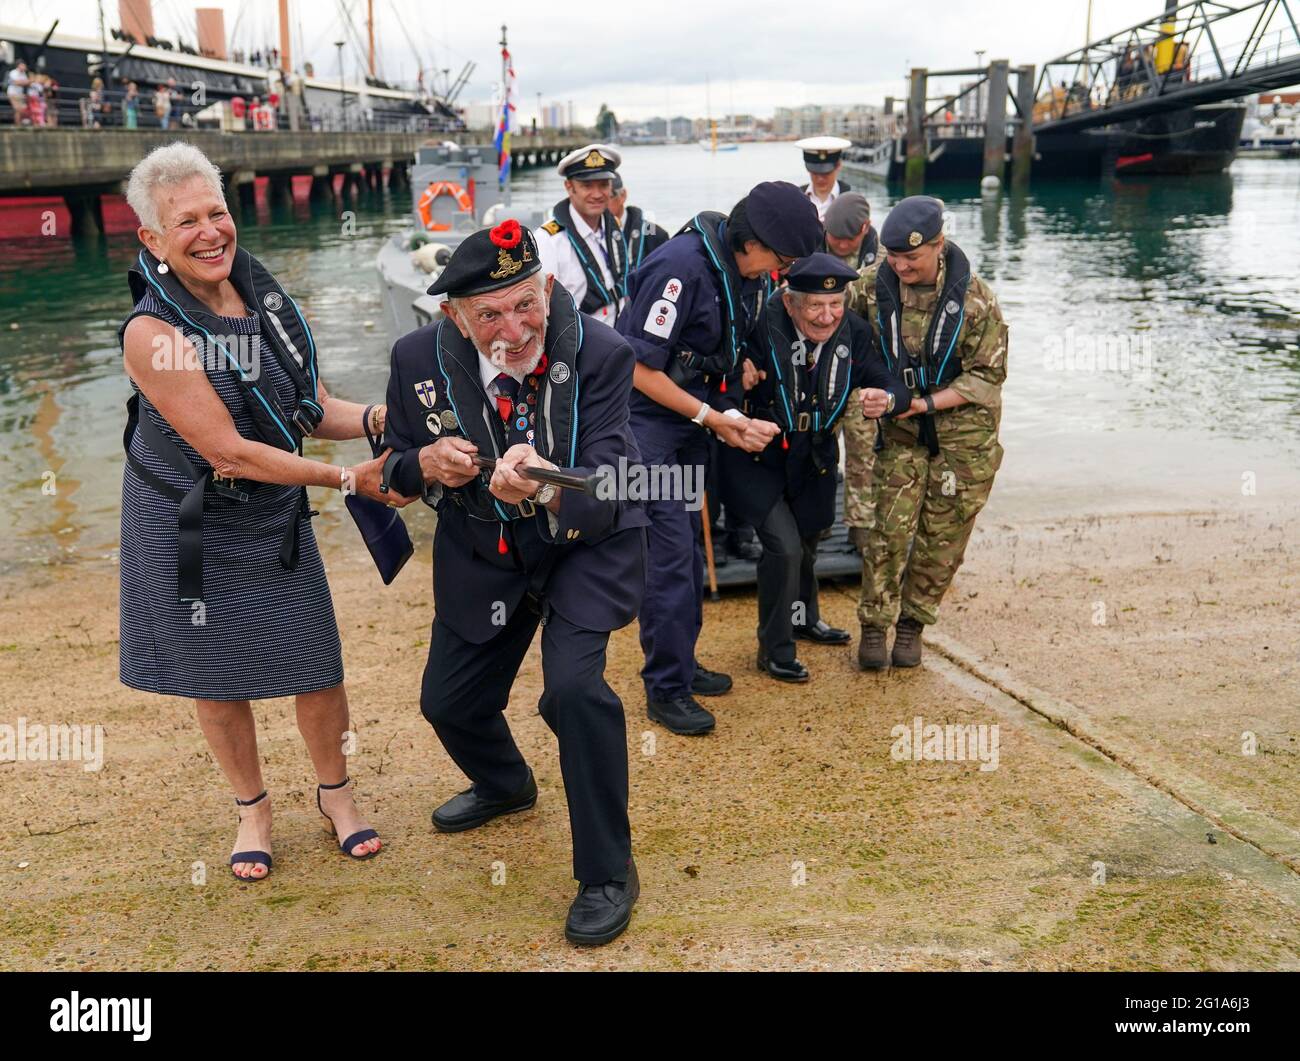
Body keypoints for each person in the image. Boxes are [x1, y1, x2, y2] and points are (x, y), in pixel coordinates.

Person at [118, 142, 399, 881]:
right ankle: (253, 808)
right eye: (186, 222)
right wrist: (347, 479)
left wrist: (383, 418)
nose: (210, 232)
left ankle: (335, 793)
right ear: (151, 239)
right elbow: (231, 451)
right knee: (215, 677)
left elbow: (308, 408)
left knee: (317, 664)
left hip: (268, 508)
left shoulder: (265, 301)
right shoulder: (153, 336)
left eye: (217, 212)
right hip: (186, 521)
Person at [383, 220, 649, 946]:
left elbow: (611, 487)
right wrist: (422, 465)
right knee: (447, 702)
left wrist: (540, 481)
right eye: (490, 314)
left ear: (549, 288)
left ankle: (607, 869)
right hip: (483, 548)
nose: (514, 328)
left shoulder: (605, 353)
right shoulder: (415, 358)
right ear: (454, 317)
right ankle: (506, 784)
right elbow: (392, 466)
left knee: (574, 692)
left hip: (582, 545)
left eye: (525, 303)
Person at [616, 181, 822, 735]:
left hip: (691, 423)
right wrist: (714, 419)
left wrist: (732, 414)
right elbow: (637, 367)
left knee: (690, 558)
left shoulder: (740, 272)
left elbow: (719, 355)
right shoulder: (679, 268)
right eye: (779, 261)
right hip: (647, 428)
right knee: (667, 561)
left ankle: (680, 661)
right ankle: (665, 689)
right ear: (751, 243)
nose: (778, 272)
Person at [726, 254, 909, 681]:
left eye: (835, 305)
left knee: (809, 542)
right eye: (814, 306)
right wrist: (740, 379)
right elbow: (719, 382)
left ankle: (803, 617)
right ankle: (774, 649)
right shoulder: (758, 325)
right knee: (784, 547)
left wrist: (889, 400)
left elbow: (890, 380)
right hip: (760, 454)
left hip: (816, 456)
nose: (826, 317)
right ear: (790, 304)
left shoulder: (855, 332)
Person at [846, 196, 1008, 670]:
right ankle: (875, 625)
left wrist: (926, 403)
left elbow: (987, 378)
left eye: (911, 258)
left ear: (939, 245)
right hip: (901, 430)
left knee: (943, 535)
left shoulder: (977, 299)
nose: (901, 266)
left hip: (964, 436)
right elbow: (832, 316)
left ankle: (913, 624)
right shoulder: (875, 286)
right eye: (893, 256)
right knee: (887, 529)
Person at [826, 193, 883, 549]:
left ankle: (860, 529)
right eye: (835, 238)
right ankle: (814, 524)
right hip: (823, 373)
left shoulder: (885, 259)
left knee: (865, 454)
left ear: (865, 229)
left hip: (863, 374)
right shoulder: (811, 253)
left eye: (848, 240)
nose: (841, 245)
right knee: (819, 449)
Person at [536, 144, 627, 327]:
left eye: (603, 185)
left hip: (619, 338)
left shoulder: (613, 227)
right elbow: (542, 307)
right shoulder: (549, 240)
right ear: (569, 187)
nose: (597, 194)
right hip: (581, 345)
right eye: (587, 186)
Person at [608, 173, 669, 271]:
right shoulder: (592, 233)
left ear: (623, 195)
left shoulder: (653, 231)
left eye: (608, 197)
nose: (601, 204)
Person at [795, 136, 853, 222]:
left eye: (826, 173)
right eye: (815, 172)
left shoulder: (851, 200)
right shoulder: (796, 199)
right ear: (807, 168)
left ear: (839, 165)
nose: (820, 178)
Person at [6, 61, 29, 126]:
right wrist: (23, 82)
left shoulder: (24, 73)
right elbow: (16, 82)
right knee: (17, 109)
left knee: (22, 109)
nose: (25, 67)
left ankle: (20, 124)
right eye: (23, 65)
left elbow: (26, 83)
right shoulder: (13, 72)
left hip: (20, 94)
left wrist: (22, 82)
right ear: (19, 65)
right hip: (12, 93)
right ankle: (18, 124)